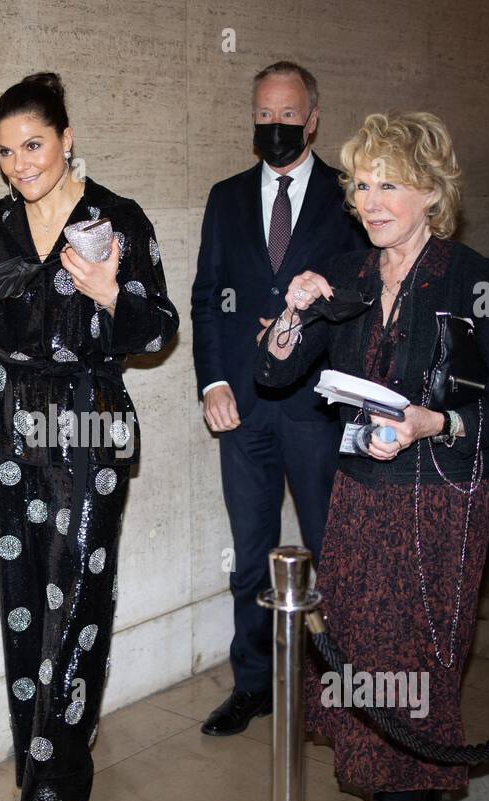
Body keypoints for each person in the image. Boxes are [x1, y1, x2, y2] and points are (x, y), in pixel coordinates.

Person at [255, 111, 489, 801]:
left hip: (440, 500)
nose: (370, 200)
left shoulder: (477, 278)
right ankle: (400, 797)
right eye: (361, 183)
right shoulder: (345, 271)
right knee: (359, 651)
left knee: (412, 659)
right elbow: (275, 371)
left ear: (432, 193)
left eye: (391, 184)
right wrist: (294, 310)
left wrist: (432, 422)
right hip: (358, 497)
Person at [0, 72, 178, 801]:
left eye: (33, 144)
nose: (19, 162)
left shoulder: (120, 220)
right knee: (20, 601)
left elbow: (159, 329)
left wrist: (110, 293)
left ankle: (64, 774)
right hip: (9, 428)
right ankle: (38, 757)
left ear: (67, 139)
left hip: (88, 428)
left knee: (76, 605)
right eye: (6, 151)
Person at [191, 61, 366, 737]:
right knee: (250, 553)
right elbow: (208, 298)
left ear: (313, 119)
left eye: (288, 116)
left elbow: (360, 301)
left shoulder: (348, 197)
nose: (275, 127)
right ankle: (254, 684)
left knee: (332, 549)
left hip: (315, 407)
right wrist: (212, 383)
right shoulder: (226, 197)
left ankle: (343, 688)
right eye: (263, 115)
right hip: (242, 408)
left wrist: (305, 336)